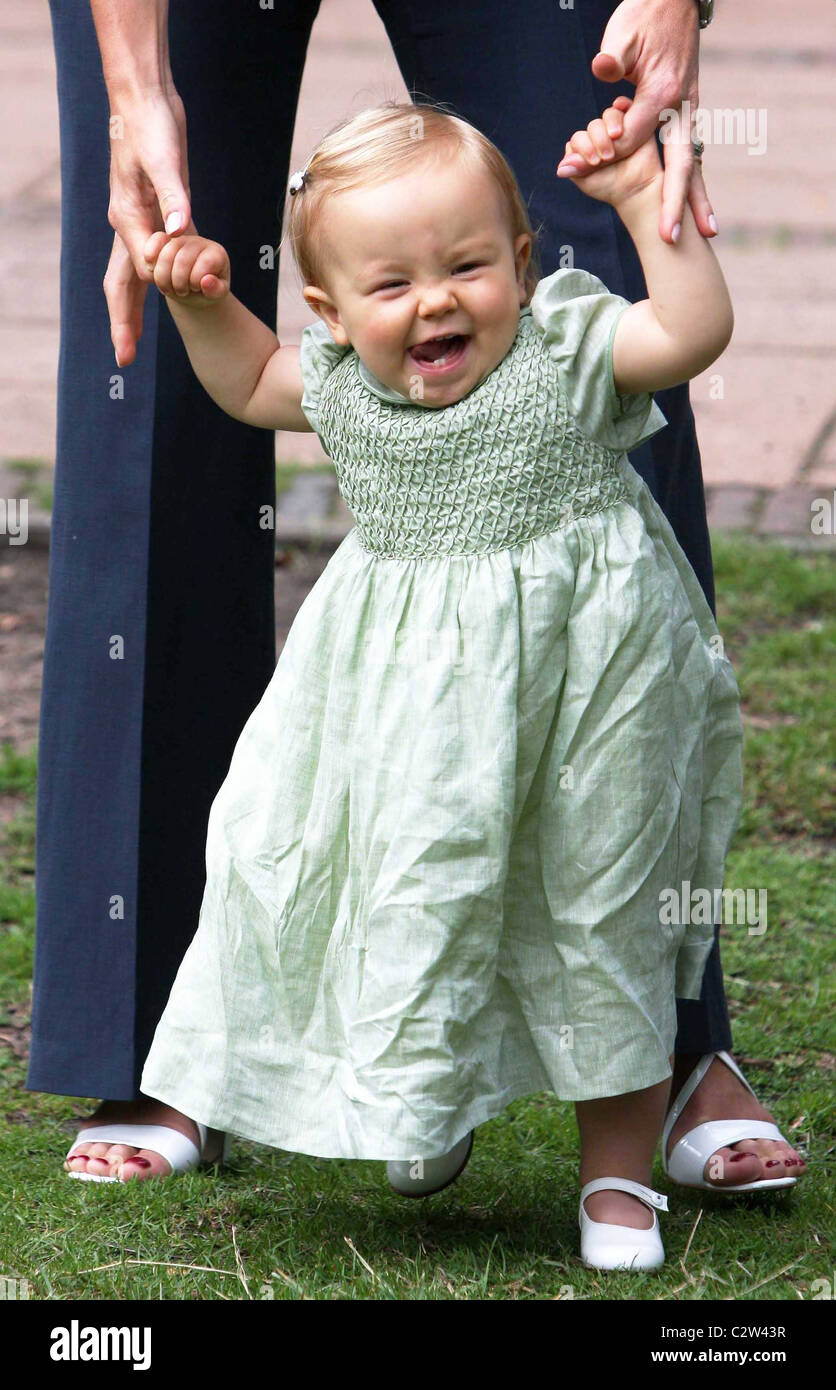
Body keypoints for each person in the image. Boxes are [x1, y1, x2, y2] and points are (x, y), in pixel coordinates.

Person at [43, 0, 806, 1197]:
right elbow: (249, 371)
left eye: (465, 274)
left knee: (593, 228)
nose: (436, 302)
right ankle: (162, 1035)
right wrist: (141, 94)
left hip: (576, 592)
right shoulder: (330, 371)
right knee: (158, 280)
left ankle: (667, 1040)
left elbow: (679, 322)